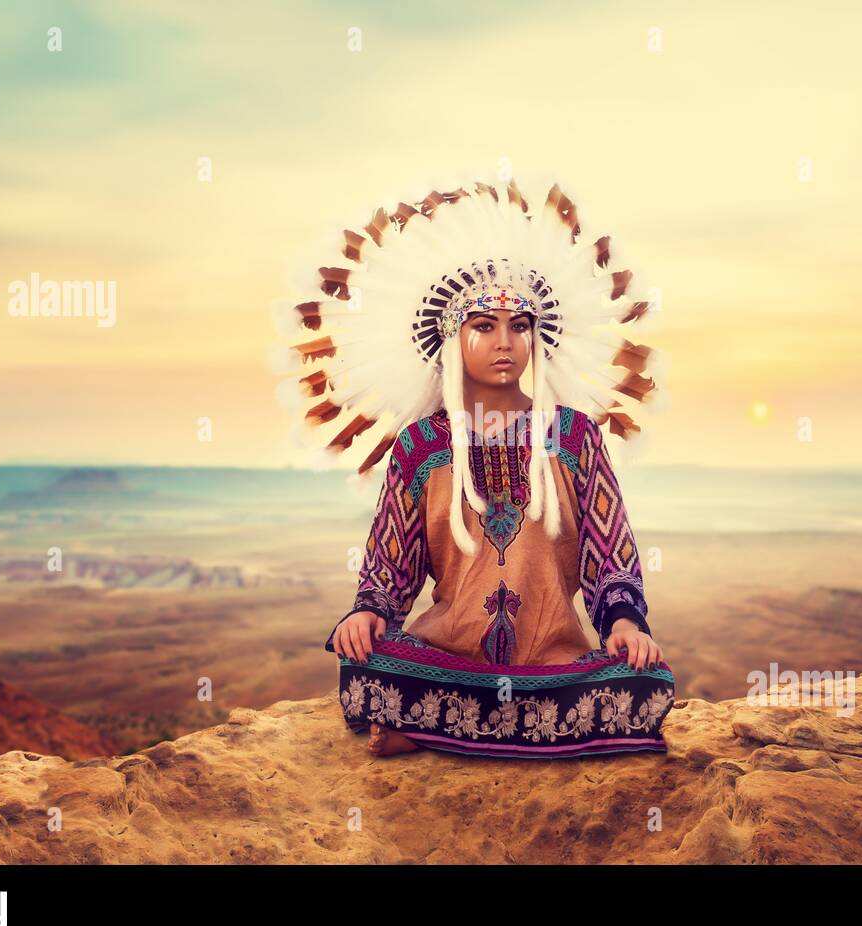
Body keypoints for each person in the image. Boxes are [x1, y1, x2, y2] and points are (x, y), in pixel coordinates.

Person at [280, 178, 672, 758]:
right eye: (484, 326)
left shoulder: (576, 437)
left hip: (555, 666)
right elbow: (391, 565)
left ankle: (431, 729)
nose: (504, 341)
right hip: (446, 659)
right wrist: (366, 613)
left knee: (644, 687)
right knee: (365, 669)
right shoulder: (419, 445)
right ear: (451, 339)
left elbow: (609, 553)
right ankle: (481, 727)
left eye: (520, 325)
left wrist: (623, 623)